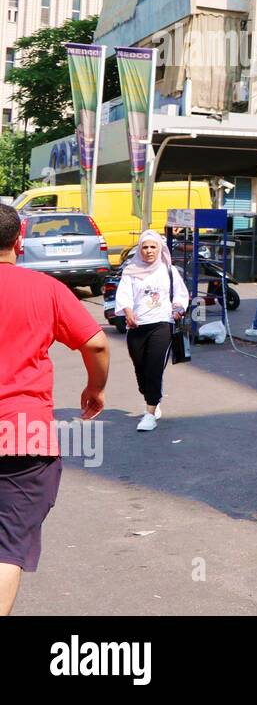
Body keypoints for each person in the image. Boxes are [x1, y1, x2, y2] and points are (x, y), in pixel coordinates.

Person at [0, 204, 109, 615]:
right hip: (23, 438)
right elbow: (96, 343)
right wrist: (94, 389)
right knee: (7, 548)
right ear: (19, 241)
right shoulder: (44, 288)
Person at [116, 230, 190, 432]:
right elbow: (124, 295)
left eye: (153, 247)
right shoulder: (131, 271)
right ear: (140, 249)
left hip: (161, 324)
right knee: (141, 370)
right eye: (145, 247)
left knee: (154, 368)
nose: (149, 251)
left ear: (160, 249)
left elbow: (181, 295)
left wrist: (177, 309)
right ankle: (151, 395)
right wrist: (128, 312)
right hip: (137, 327)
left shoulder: (169, 270)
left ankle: (150, 413)